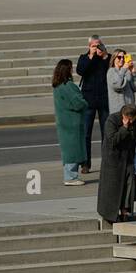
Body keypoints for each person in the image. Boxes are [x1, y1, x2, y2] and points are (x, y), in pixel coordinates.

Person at [97, 104, 136, 224]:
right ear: (124, 115)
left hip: (127, 158)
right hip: (113, 159)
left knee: (129, 185)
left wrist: (133, 159)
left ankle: (125, 210)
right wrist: (124, 127)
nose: (132, 121)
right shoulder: (111, 120)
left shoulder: (133, 120)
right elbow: (113, 140)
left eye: (133, 119)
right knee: (112, 188)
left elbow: (133, 139)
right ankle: (110, 214)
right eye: (130, 119)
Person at [107, 49, 136, 179]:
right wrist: (124, 69)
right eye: (119, 57)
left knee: (133, 141)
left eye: (123, 57)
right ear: (114, 59)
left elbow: (135, 86)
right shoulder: (111, 72)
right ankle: (125, 168)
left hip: (130, 112)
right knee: (121, 141)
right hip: (118, 113)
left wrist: (133, 72)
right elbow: (117, 85)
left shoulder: (126, 72)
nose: (121, 60)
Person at [75, 35, 112, 173]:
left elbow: (112, 69)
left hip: (104, 99)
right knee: (86, 133)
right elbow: (80, 71)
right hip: (88, 99)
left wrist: (104, 56)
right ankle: (85, 163)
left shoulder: (107, 58)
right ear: (89, 46)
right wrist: (91, 56)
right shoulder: (84, 58)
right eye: (94, 45)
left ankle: (107, 161)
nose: (97, 48)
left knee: (106, 132)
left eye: (99, 45)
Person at [51, 59, 88, 187]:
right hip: (72, 122)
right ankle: (70, 177)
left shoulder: (58, 86)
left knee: (68, 150)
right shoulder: (68, 86)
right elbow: (77, 103)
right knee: (73, 151)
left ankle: (70, 175)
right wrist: (85, 102)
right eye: (71, 68)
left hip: (64, 122)